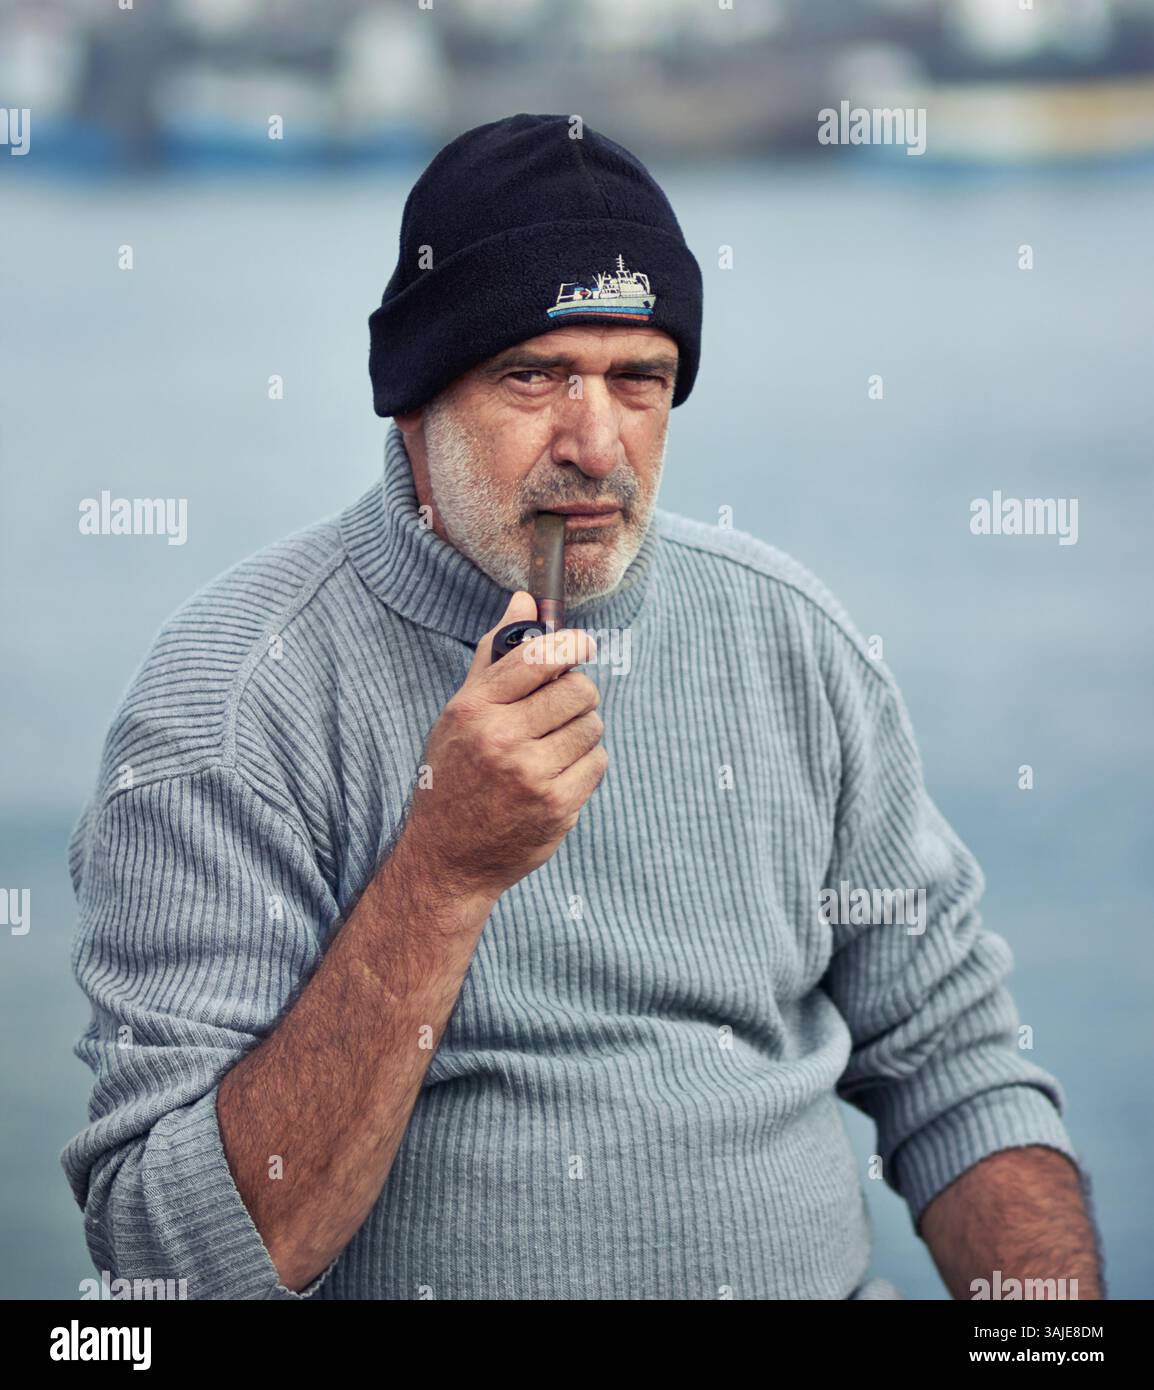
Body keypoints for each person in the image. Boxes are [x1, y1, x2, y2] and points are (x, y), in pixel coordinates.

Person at [61, 113, 1103, 1301]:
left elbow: (952, 1063)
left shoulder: (791, 638)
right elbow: (171, 1265)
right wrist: (444, 869)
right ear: (411, 398)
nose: (595, 444)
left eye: (639, 379)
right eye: (535, 373)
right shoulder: (232, 696)